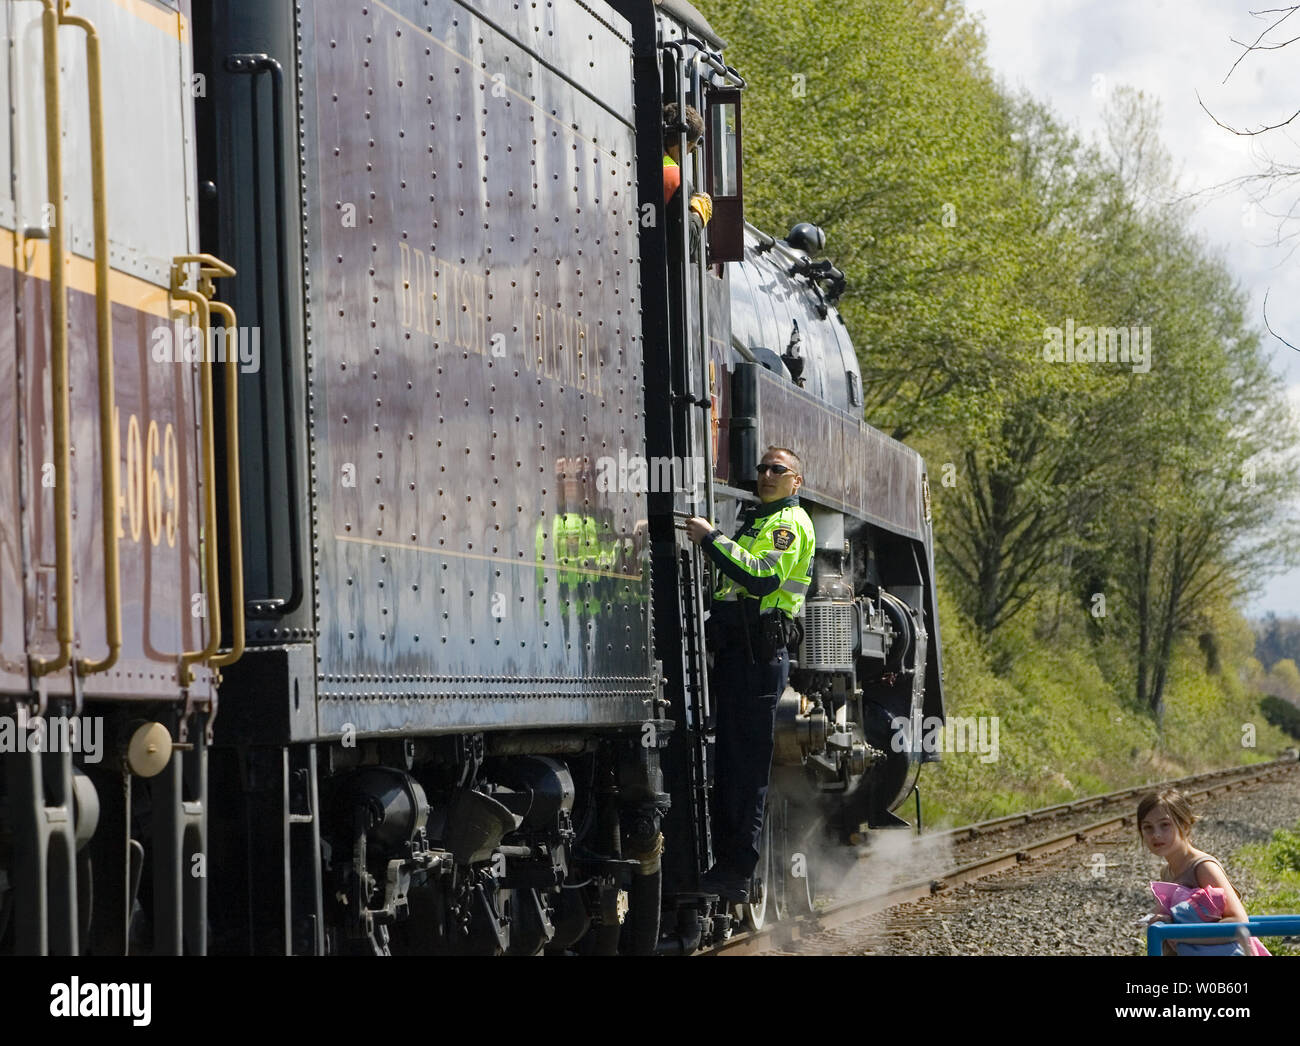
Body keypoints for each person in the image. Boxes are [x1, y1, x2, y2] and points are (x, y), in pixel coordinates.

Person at [685, 447, 815, 902]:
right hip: (739, 655)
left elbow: (761, 578)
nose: (765, 474)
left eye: (777, 469)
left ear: (795, 481)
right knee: (731, 764)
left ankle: (737, 873)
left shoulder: (787, 524)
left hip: (758, 658)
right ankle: (726, 867)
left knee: (744, 769)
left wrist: (710, 539)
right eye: (761, 468)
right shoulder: (759, 521)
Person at [1138, 788, 1250, 955]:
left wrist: (1179, 934)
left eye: (1165, 825)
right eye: (1148, 828)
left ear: (1185, 825)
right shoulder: (1167, 872)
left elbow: (1239, 922)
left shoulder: (1203, 867)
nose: (1156, 834)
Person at [662, 102, 712, 226]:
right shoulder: (676, 180)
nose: (688, 153)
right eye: (692, 148)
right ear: (686, 143)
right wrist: (700, 212)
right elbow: (683, 240)